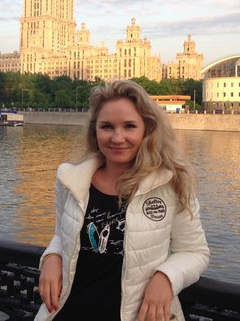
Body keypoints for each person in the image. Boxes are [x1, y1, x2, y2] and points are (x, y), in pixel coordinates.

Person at [36, 80, 209, 321]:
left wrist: (166, 278)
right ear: (95, 131)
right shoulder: (71, 179)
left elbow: (195, 252)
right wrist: (52, 257)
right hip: (65, 311)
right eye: (107, 127)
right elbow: (61, 235)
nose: (118, 138)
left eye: (129, 126)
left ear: (147, 129)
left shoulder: (172, 184)